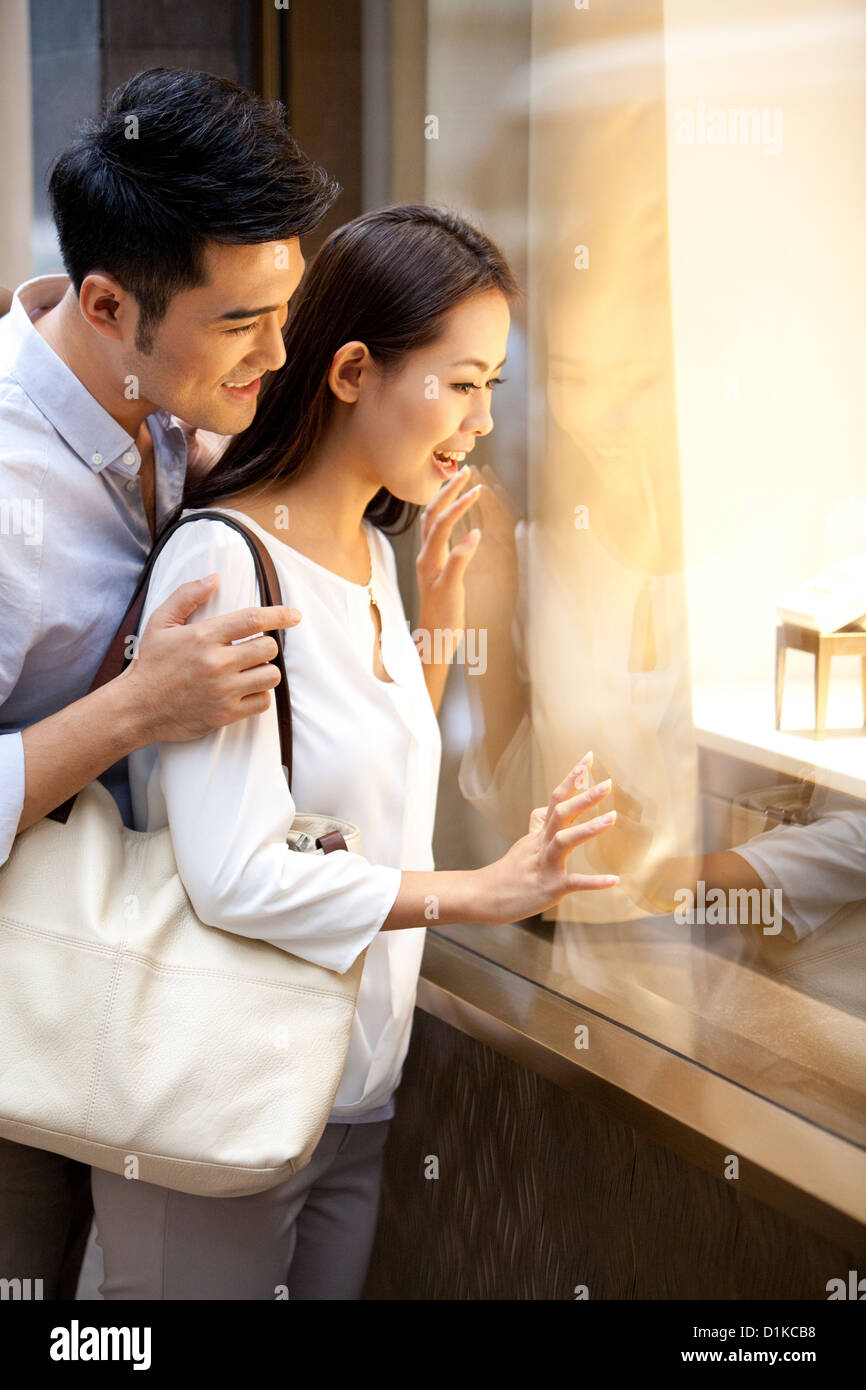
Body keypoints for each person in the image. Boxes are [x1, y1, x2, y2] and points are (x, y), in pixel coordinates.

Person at [89, 204, 620, 1300]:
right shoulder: (226, 561)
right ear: (347, 372)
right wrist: (481, 891)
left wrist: (430, 627)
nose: (477, 421)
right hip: (220, 1092)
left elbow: (347, 774)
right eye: (459, 381)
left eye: (492, 388)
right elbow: (236, 872)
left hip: (351, 1087)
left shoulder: (377, 553)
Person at [0, 66, 340, 1299]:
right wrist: (141, 706)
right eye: (242, 322)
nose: (279, 351)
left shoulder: (148, 392)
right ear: (106, 301)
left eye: (286, 310)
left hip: (122, 993)